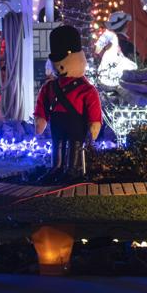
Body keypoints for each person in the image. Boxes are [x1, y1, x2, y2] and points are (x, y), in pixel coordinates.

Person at [34, 25, 102, 182]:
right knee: (57, 143)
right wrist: (41, 118)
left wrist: (94, 123)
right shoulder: (51, 86)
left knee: (75, 144)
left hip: (75, 123)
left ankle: (73, 170)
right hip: (58, 122)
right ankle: (56, 167)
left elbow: (93, 106)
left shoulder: (86, 89)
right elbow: (42, 102)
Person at [94, 11, 137, 88]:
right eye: (127, 25)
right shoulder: (124, 44)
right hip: (118, 80)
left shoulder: (109, 39)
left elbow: (97, 50)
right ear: (124, 27)